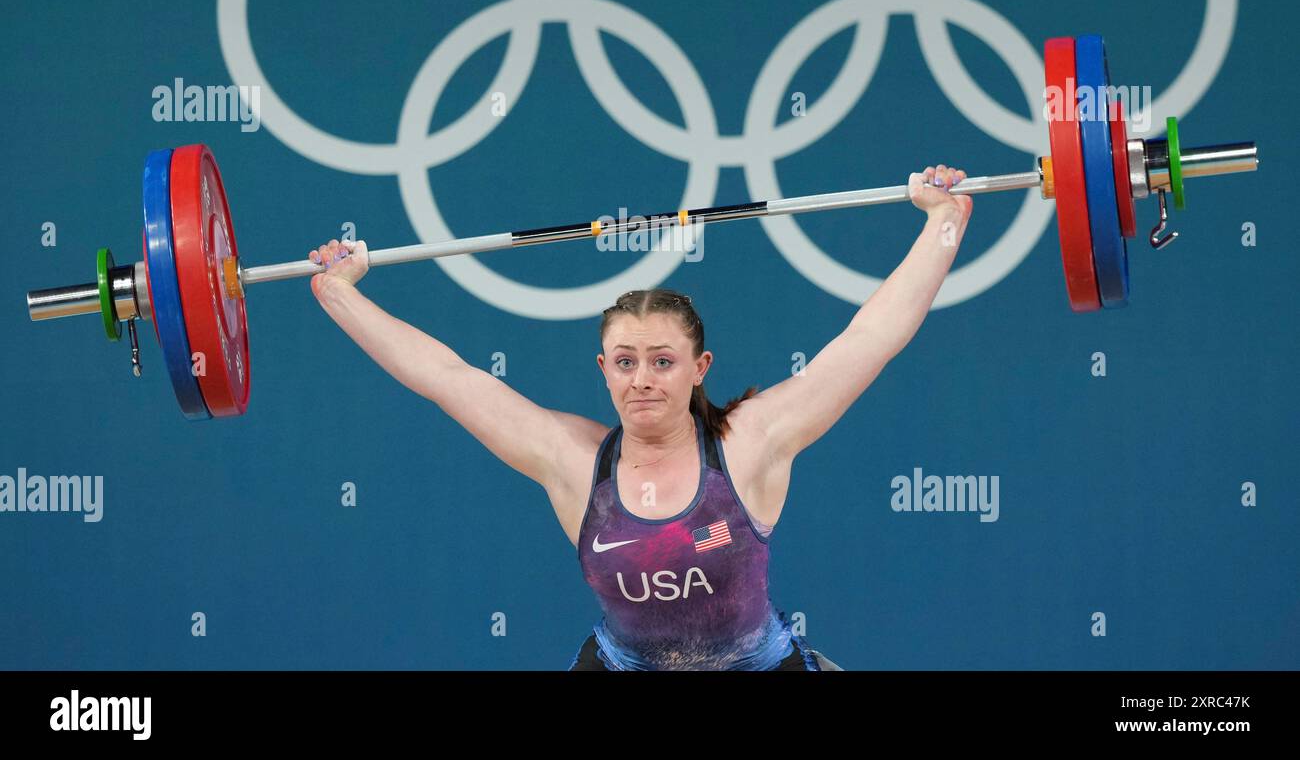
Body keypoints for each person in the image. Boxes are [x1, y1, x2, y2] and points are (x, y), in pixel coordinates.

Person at [308, 164, 971, 670]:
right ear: (603, 369)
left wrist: (944, 220)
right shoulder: (571, 458)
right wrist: (340, 296)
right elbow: (446, 378)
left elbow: (870, 338)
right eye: (625, 362)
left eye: (662, 361)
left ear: (699, 367)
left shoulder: (752, 442)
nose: (643, 380)